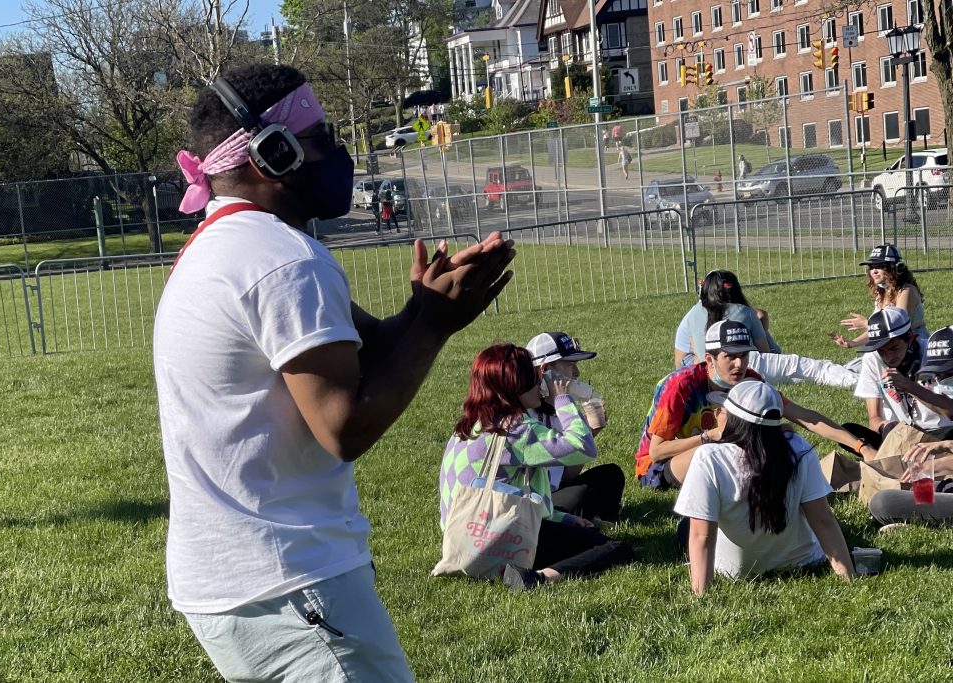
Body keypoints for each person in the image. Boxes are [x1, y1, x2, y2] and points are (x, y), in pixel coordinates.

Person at [154, 64, 515, 683]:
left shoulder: (222, 244)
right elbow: (342, 426)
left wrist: (424, 309)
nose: (337, 151)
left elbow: (368, 348)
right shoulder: (283, 260)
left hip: (240, 579)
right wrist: (433, 326)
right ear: (274, 151)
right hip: (291, 583)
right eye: (320, 135)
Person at [440, 344, 634, 591]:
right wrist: (562, 399)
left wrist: (563, 518)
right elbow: (582, 447)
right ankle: (537, 578)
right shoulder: (514, 430)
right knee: (615, 548)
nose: (540, 383)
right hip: (500, 540)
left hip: (465, 537)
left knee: (581, 535)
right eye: (533, 378)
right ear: (514, 385)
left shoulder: (470, 427)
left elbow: (512, 494)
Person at [637, 320, 876, 489]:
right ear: (710, 359)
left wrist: (861, 447)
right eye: (730, 356)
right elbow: (657, 452)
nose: (739, 364)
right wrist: (712, 436)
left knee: (785, 435)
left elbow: (805, 417)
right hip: (659, 468)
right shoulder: (681, 385)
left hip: (719, 455)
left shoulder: (750, 380)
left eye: (744, 355)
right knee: (718, 450)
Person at [674, 380, 855, 595]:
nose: (717, 415)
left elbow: (700, 536)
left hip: (731, 570)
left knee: (687, 526)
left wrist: (700, 596)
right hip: (803, 561)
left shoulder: (709, 458)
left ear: (736, 421)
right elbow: (823, 519)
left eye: (723, 411)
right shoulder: (798, 448)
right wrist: (849, 578)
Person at [673, 272, 857, 389]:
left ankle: (854, 373)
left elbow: (690, 359)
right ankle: (858, 380)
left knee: (800, 376)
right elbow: (766, 351)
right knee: (814, 369)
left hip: (709, 372)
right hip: (751, 363)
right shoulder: (744, 310)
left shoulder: (692, 314)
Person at [525, 331, 625, 524]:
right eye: (570, 365)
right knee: (578, 495)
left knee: (611, 474)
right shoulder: (526, 413)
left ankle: (591, 517)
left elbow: (565, 476)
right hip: (533, 499)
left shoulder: (565, 408)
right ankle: (582, 518)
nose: (577, 373)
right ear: (545, 371)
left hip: (555, 491)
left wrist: (591, 432)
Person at [845, 309, 953, 451]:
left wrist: (910, 387)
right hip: (901, 432)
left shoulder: (935, 353)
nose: (888, 357)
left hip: (941, 431)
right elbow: (874, 418)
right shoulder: (872, 359)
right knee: (849, 432)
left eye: (894, 348)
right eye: (881, 351)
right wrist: (886, 427)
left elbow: (951, 412)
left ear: (910, 337)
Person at [830, 244, 927, 350]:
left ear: (895, 268)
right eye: (871, 267)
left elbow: (898, 325)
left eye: (879, 267)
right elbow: (879, 331)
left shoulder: (907, 291)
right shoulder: (881, 292)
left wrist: (867, 323)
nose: (874, 271)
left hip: (914, 346)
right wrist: (852, 343)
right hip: (891, 346)